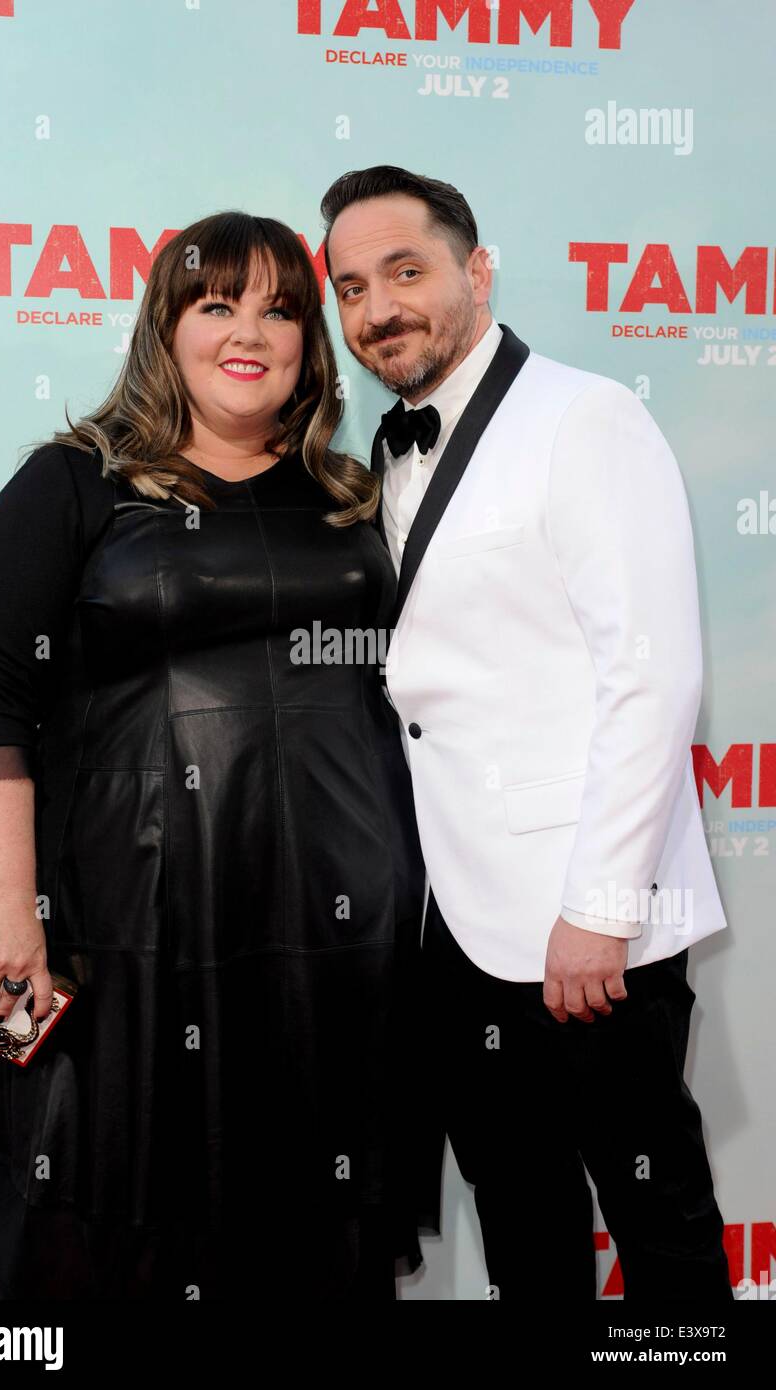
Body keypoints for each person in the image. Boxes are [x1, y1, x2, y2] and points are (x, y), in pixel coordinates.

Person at [0, 211, 427, 1300]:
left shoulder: (352, 501)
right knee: (90, 1220)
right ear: (167, 326)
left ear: (311, 343)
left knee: (303, 1228)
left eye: (281, 309)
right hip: (120, 929)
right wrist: (9, 906)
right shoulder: (75, 481)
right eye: (217, 304)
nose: (248, 331)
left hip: (324, 939)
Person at [319, 164, 735, 1301]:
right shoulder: (377, 465)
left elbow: (652, 677)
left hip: (588, 929)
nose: (378, 310)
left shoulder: (585, 416)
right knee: (523, 1228)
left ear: (478, 269)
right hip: (453, 931)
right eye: (352, 288)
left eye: (406, 272)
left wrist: (598, 913)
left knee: (662, 1234)